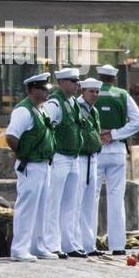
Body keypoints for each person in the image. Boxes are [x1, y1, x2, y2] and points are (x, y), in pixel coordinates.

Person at [5, 72, 55, 261]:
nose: (46, 93)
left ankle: (38, 246)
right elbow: (11, 137)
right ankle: (19, 249)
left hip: (43, 164)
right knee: (27, 207)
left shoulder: (40, 109)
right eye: (43, 89)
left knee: (42, 207)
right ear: (33, 89)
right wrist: (23, 152)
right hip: (30, 165)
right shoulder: (23, 111)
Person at [95, 64, 139, 255]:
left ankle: (89, 244)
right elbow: (138, 121)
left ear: (99, 77)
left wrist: (99, 135)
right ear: (114, 78)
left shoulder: (91, 93)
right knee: (116, 199)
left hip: (96, 150)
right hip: (117, 151)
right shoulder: (123, 95)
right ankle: (117, 246)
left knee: (91, 197)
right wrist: (114, 134)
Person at [42, 67, 83, 259]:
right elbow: (44, 124)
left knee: (71, 203)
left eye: (77, 81)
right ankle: (52, 244)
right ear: (62, 83)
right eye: (73, 81)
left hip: (73, 157)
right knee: (54, 202)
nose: (77, 85)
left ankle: (69, 243)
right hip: (59, 157)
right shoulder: (54, 103)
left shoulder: (73, 102)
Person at [75, 78, 104, 257]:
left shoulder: (94, 111)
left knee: (89, 205)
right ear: (83, 91)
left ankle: (89, 244)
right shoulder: (77, 107)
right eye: (91, 91)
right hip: (79, 159)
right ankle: (76, 243)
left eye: (96, 92)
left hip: (92, 159)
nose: (94, 95)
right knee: (76, 203)